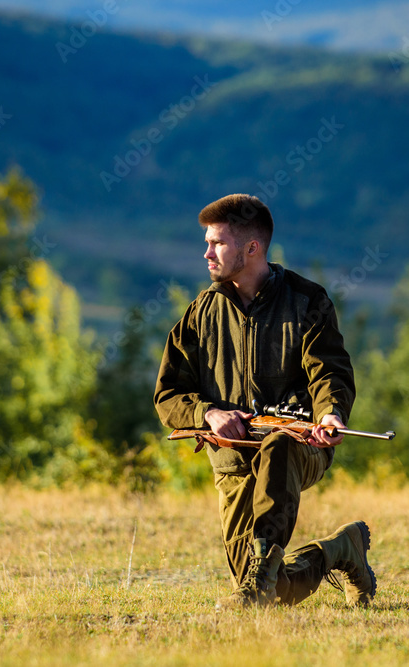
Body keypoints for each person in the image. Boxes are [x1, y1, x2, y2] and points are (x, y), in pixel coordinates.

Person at [154, 194, 376, 609]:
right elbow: (168, 394)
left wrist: (331, 412)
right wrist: (208, 413)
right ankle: (341, 550)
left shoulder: (308, 301)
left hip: (299, 445)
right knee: (273, 588)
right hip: (232, 461)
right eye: (207, 242)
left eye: (217, 243)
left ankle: (260, 580)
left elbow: (330, 370)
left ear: (252, 248)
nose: (206, 253)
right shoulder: (201, 312)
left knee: (278, 447)